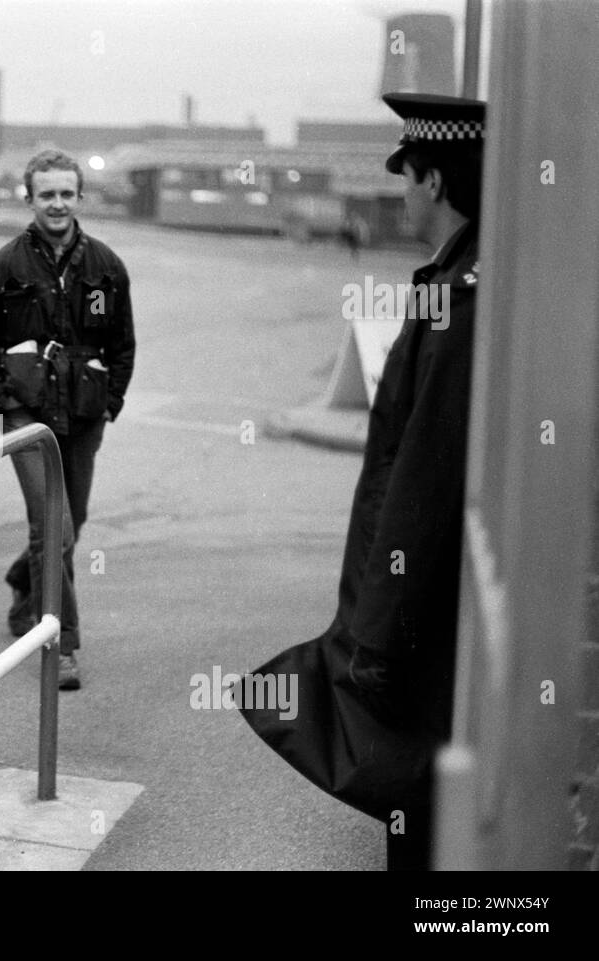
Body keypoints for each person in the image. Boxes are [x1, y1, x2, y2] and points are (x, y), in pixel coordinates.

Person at [239, 93, 487, 871]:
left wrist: (376, 633)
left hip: (421, 616)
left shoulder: (460, 299)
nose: (402, 194)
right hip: (433, 610)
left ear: (436, 182)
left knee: (411, 800)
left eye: (408, 177)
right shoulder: (458, 280)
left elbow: (424, 483)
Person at [0, 149, 135, 690]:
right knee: (54, 531)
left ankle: (23, 580)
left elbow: (123, 344)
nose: (57, 204)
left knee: (69, 526)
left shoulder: (106, 267)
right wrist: (5, 400)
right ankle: (60, 645)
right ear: (30, 199)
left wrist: (110, 402)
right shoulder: (3, 267)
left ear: (78, 197)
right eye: (47, 195)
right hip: (29, 420)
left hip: (83, 419)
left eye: (66, 193)